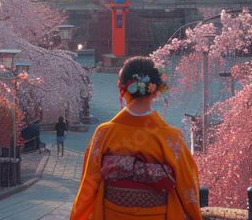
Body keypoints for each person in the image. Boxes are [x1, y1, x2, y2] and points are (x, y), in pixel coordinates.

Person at [69, 57, 202, 220]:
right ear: (156, 90)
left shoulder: (104, 134)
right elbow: (187, 188)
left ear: (121, 88)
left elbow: (88, 187)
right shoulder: (172, 138)